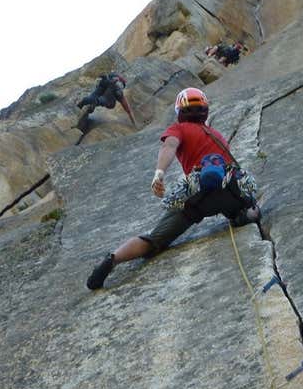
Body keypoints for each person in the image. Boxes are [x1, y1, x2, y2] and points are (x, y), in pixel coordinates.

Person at [86, 87, 261, 290]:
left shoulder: (179, 129)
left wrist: (159, 173)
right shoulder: (217, 135)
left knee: (153, 240)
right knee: (250, 211)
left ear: (180, 112)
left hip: (197, 196)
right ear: (205, 111)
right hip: (230, 190)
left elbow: (169, 146)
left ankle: (113, 259)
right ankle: (244, 215)